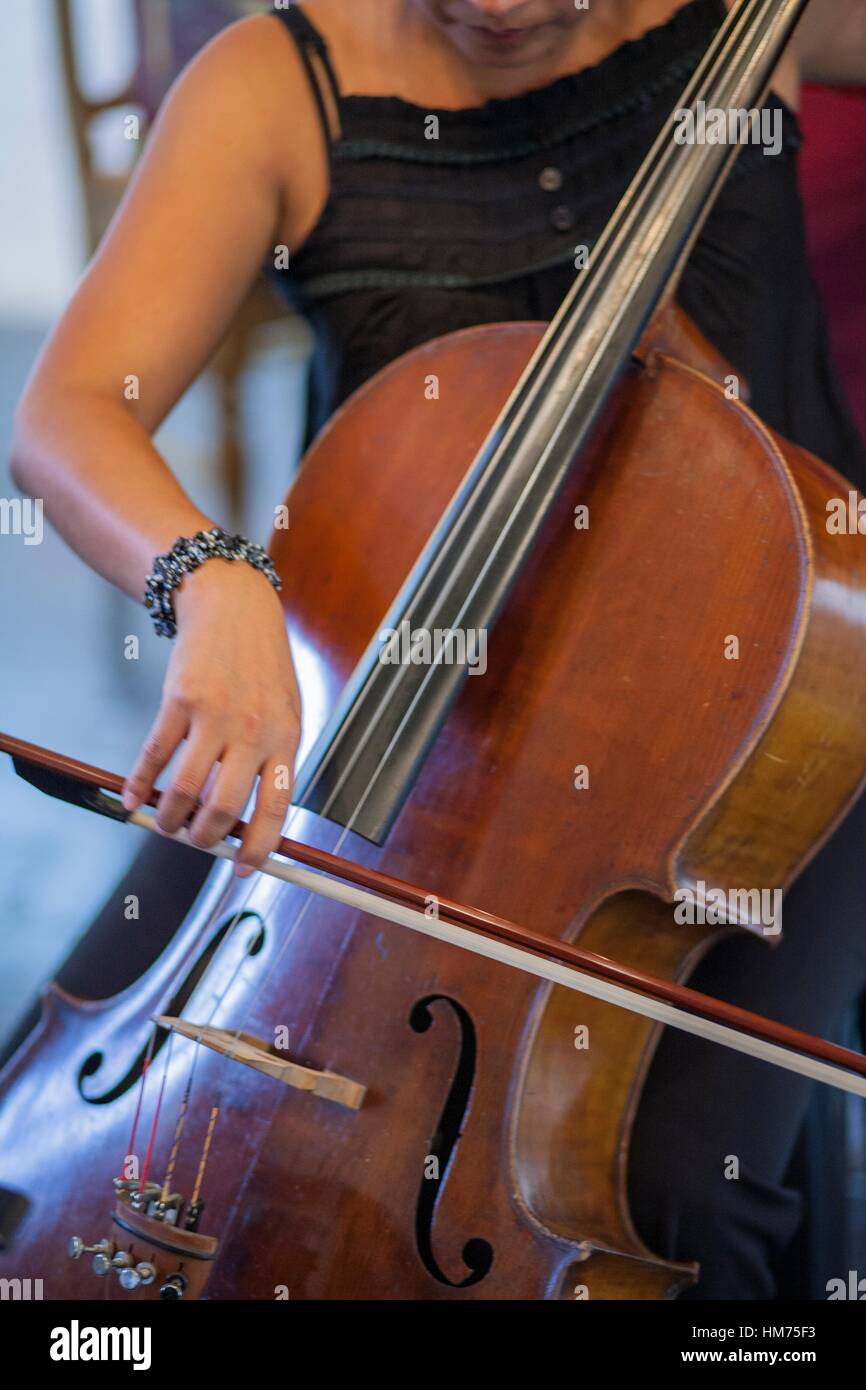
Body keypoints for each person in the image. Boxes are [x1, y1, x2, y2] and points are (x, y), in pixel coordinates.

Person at [8, 0, 866, 1298]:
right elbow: (71, 414)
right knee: (46, 1156)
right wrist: (212, 577)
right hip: (377, 711)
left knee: (681, 1200)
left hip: (767, 709)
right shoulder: (276, 81)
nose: (508, 9)